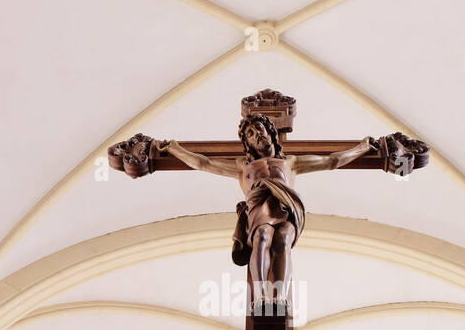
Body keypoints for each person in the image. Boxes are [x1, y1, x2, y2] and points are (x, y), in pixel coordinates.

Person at [157, 114, 372, 308]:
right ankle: (260, 297)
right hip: (259, 207)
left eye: (259, 128)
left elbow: (331, 161)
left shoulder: (290, 162)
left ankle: (279, 299)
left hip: (287, 206)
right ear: (247, 143)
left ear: (270, 132)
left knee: (283, 240)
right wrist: (175, 148)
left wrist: (362, 148)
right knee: (262, 236)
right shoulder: (242, 165)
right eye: (250, 134)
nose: (257, 134)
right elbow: (204, 163)